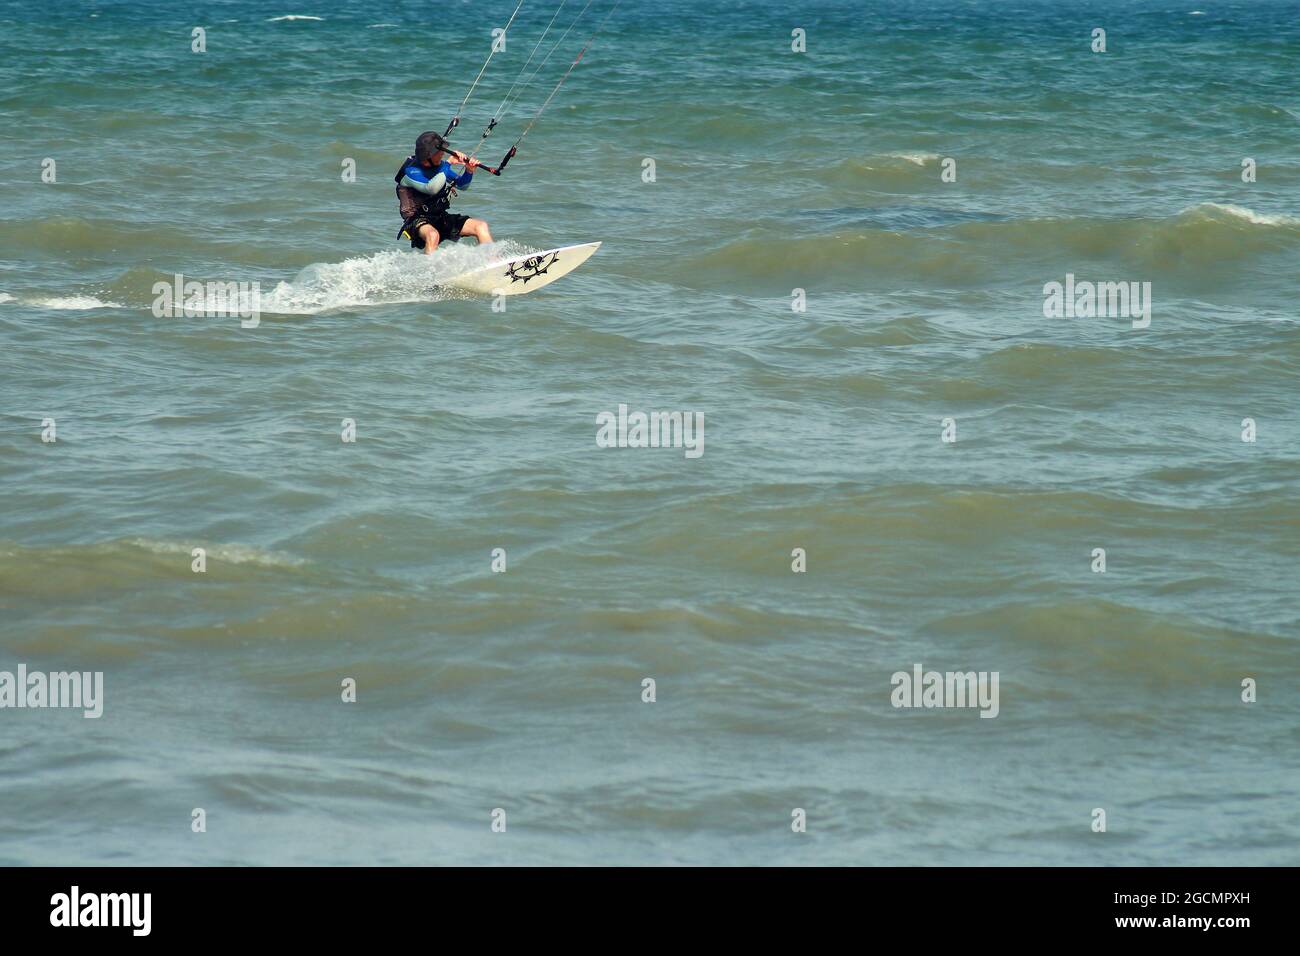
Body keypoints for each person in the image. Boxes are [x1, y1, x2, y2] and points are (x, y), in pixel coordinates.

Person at [394, 131, 494, 254]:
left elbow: (462, 185)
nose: (443, 153)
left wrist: (469, 171)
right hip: (416, 220)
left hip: (439, 216)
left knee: (480, 226)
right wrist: (448, 163)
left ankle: (492, 260)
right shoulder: (411, 171)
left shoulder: (440, 166)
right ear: (428, 155)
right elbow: (431, 188)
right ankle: (429, 271)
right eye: (440, 151)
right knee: (433, 236)